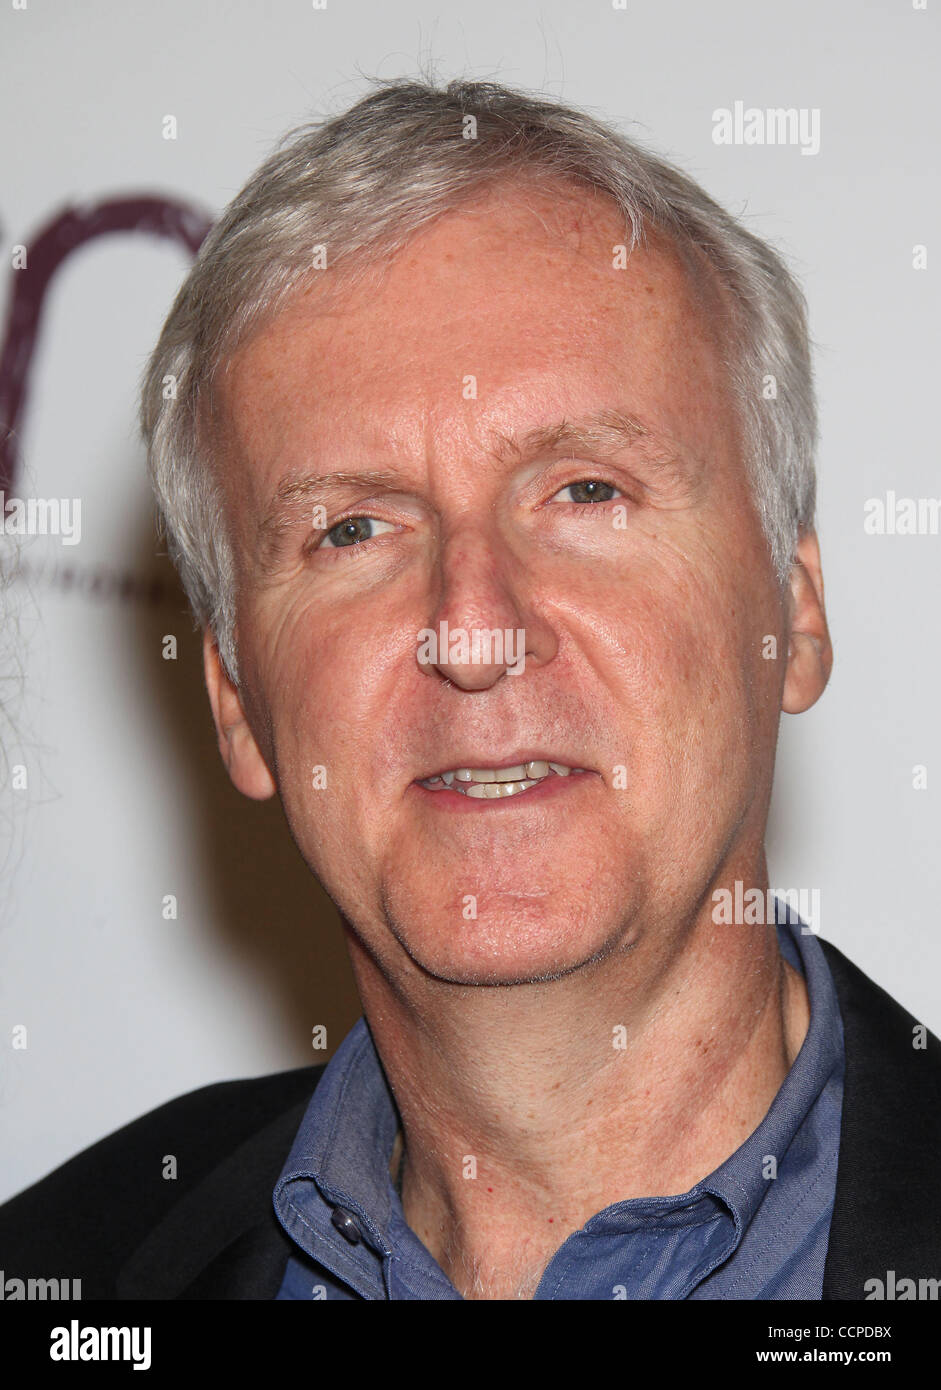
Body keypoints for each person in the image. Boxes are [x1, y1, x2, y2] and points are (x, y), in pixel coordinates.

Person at [2, 77, 939, 1302]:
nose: (474, 629)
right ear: (234, 696)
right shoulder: (60, 1275)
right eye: (352, 529)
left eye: (585, 491)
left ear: (792, 614)